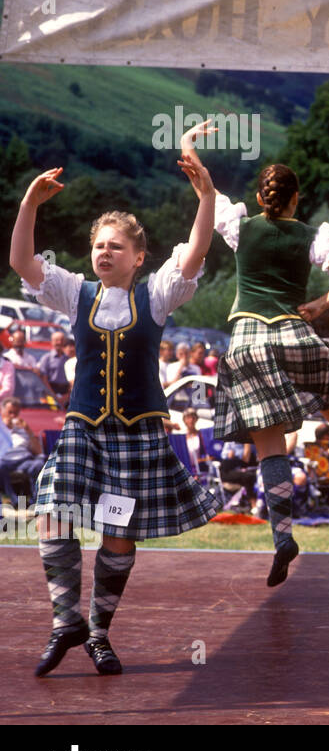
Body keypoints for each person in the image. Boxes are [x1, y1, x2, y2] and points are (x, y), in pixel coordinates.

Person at [11, 130, 220, 677]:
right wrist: (30, 204)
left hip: (137, 436)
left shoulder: (158, 293)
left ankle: (98, 634)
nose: (105, 252)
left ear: (138, 256)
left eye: (115, 246)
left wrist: (207, 199)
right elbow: (23, 262)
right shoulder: (73, 291)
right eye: (99, 244)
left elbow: (196, 252)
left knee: (117, 532)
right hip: (83, 428)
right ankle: (65, 622)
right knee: (53, 512)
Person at [210, 163, 329, 588]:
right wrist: (320, 305)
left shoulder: (238, 225)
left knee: (270, 446)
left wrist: (189, 151)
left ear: (260, 199)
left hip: (248, 343)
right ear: (297, 199)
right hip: (296, 334)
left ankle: (282, 538)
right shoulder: (314, 235)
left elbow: (208, 192)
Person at [1, 396, 46, 508]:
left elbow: (39, 452)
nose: (12, 416)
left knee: (38, 464)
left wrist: (29, 431)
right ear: (2, 412)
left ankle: (34, 502)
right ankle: (14, 500)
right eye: (10, 412)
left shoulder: (23, 430)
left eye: (15, 413)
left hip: (24, 460)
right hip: (5, 461)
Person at [38, 330, 72, 403]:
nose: (59, 342)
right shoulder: (46, 358)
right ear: (52, 342)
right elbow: (44, 379)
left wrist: (67, 395)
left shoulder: (69, 358)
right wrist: (53, 395)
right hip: (51, 391)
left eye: (61, 340)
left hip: (66, 393)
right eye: (56, 340)